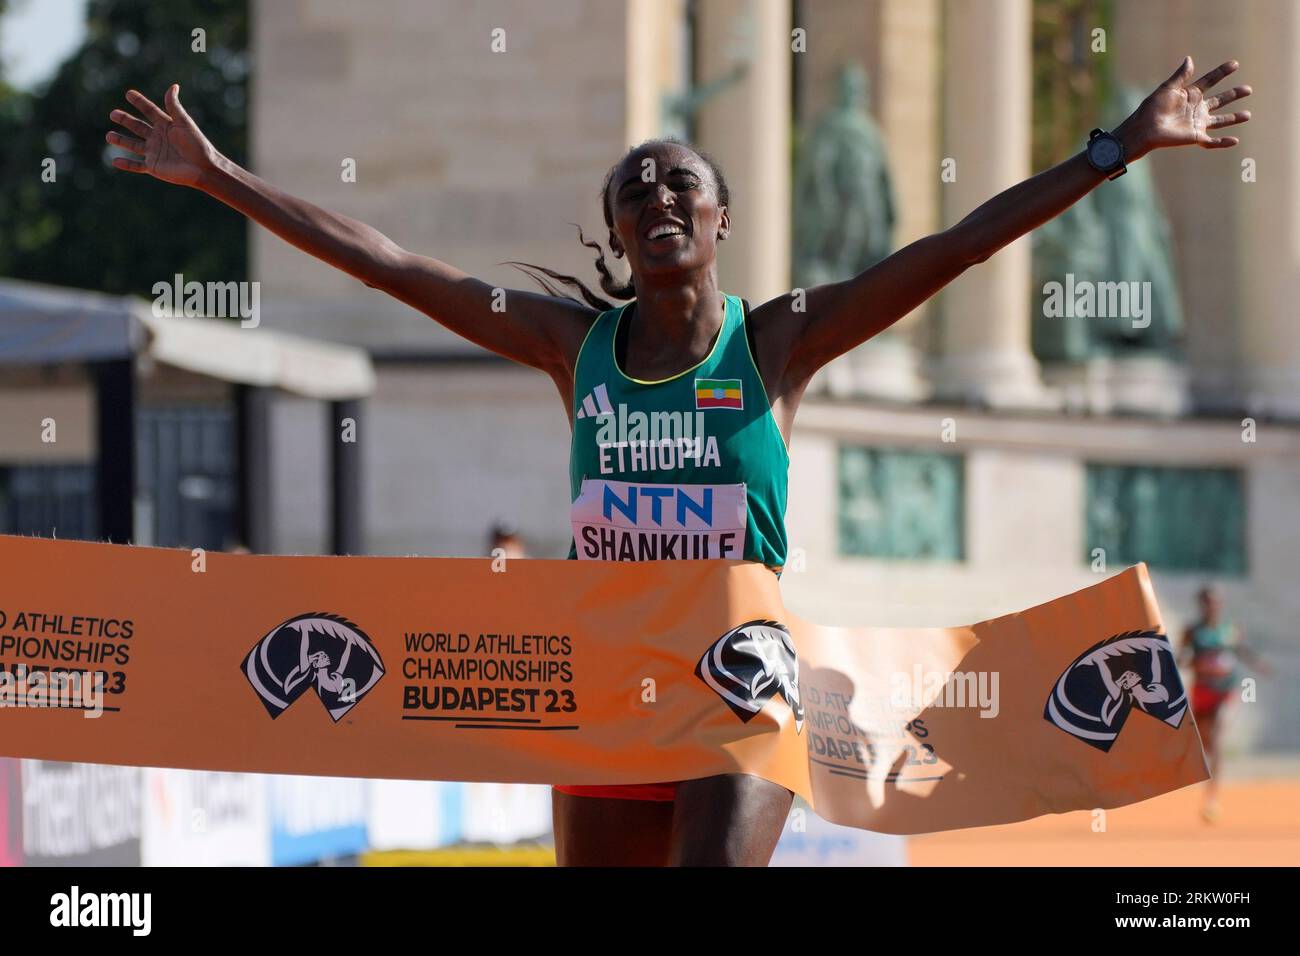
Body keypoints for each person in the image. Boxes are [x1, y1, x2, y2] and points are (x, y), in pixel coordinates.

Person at [106, 56, 1251, 865]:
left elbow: (955, 248)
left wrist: (1115, 148)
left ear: (719, 222)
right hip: (599, 682)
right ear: (614, 235)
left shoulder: (779, 339)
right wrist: (218, 177)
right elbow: (387, 263)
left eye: (678, 184)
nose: (656, 196)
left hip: (738, 682)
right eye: (632, 191)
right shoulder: (570, 347)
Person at [1180, 584, 1269, 823]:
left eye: (1215, 602)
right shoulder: (1192, 631)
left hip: (1225, 690)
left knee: (1217, 736)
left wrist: (1259, 665)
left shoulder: (1230, 629)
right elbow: (1181, 659)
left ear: (1221, 604)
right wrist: (1195, 664)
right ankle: (1210, 776)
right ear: (1201, 604)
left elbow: (1241, 651)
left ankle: (1212, 798)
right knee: (1205, 740)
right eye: (1207, 602)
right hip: (1202, 690)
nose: (1212, 606)